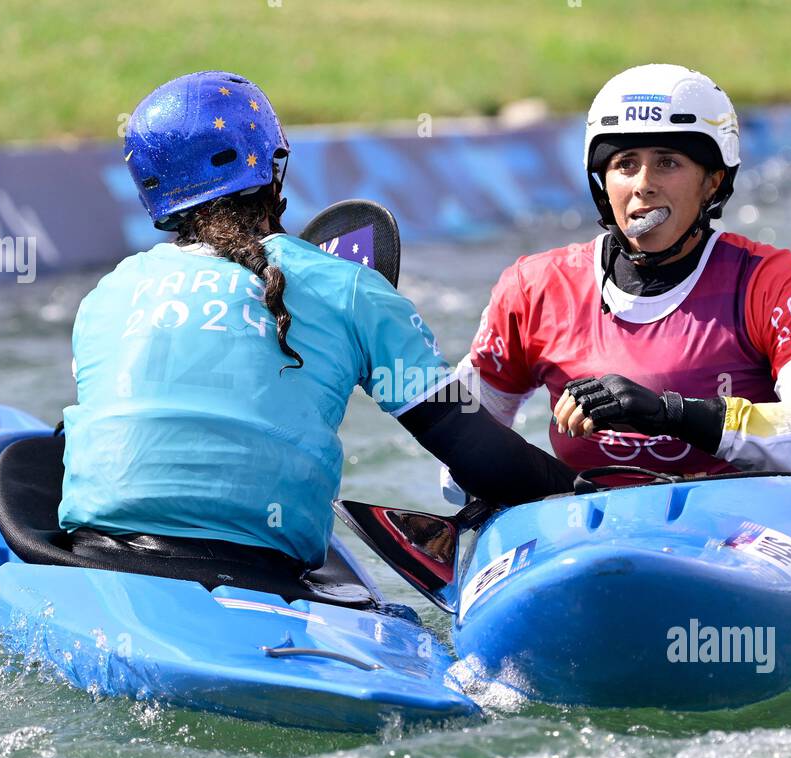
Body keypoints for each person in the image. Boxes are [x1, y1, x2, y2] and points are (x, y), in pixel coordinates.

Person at [58, 71, 574, 572]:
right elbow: (480, 455)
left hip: (99, 555)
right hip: (260, 565)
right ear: (271, 170)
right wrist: (583, 491)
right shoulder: (351, 287)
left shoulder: (106, 294)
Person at [456, 63, 791, 488]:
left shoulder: (776, 284)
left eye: (668, 163)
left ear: (713, 182)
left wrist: (671, 414)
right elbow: (458, 464)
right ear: (602, 183)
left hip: (741, 534)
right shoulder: (534, 288)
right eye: (625, 164)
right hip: (591, 534)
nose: (643, 185)